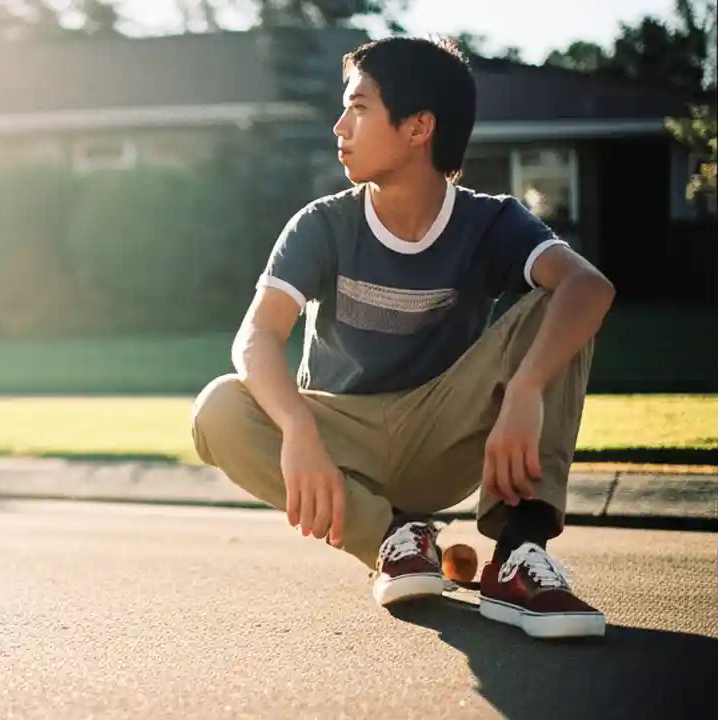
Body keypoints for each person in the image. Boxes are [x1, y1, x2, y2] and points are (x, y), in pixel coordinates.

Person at [190, 36, 616, 640]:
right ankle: (393, 537)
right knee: (218, 408)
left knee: (560, 299)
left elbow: (589, 288)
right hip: (346, 444)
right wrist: (298, 427)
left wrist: (525, 390)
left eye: (359, 108)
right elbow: (257, 334)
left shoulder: (490, 221)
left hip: (445, 434)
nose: (340, 126)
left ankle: (518, 560)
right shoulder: (321, 225)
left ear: (418, 127)